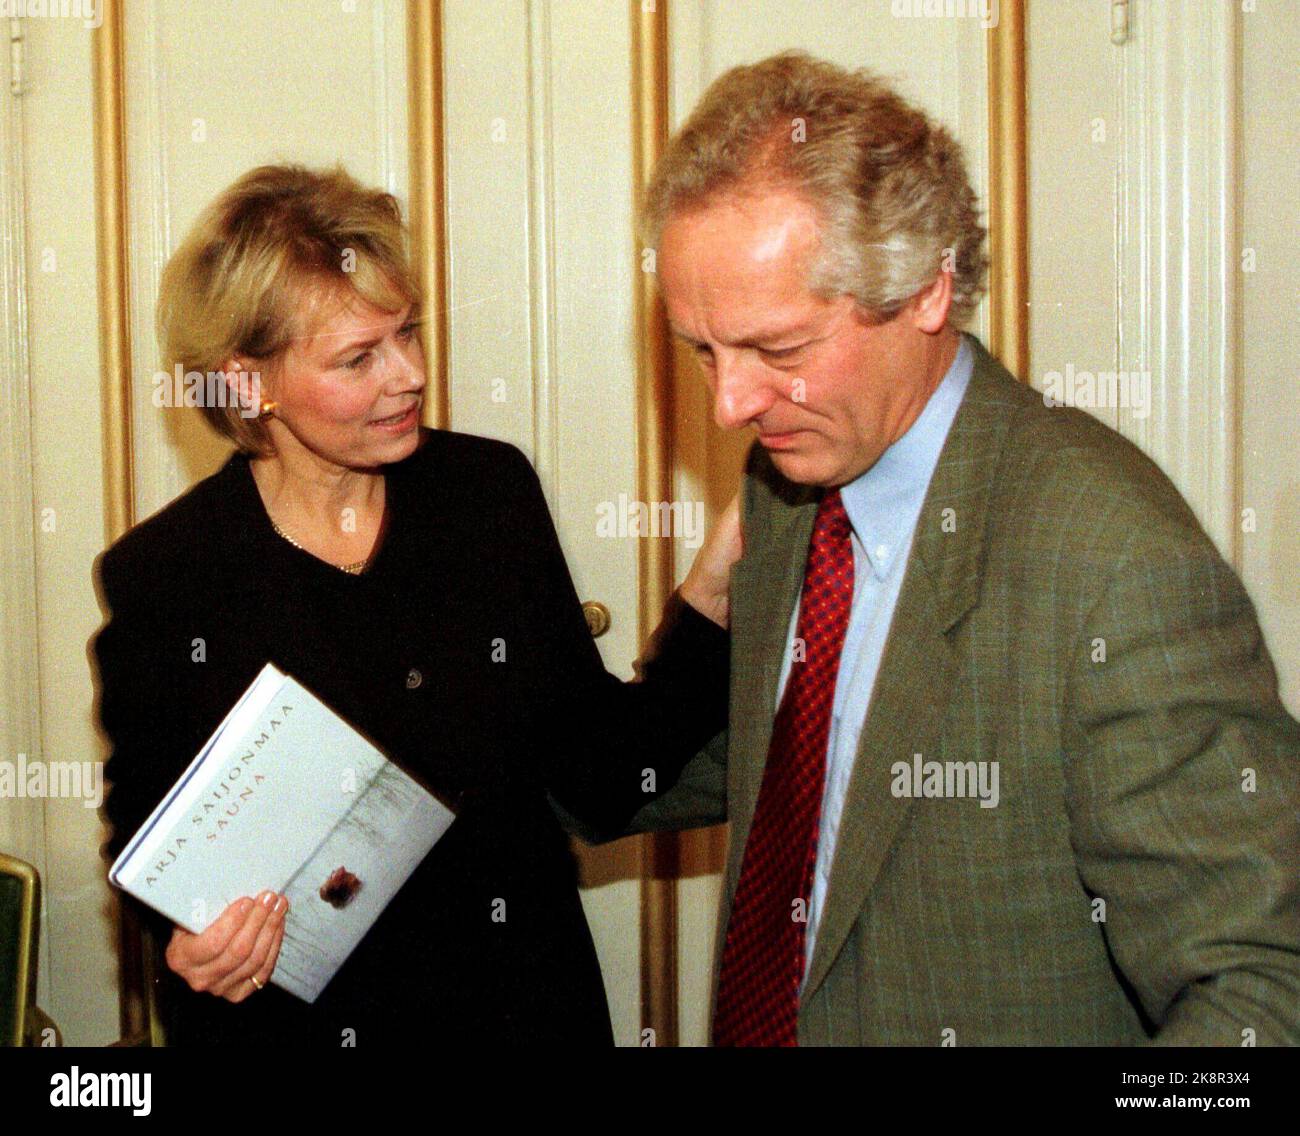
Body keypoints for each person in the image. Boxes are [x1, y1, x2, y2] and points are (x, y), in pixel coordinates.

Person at [627, 51, 1300, 1045]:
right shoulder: (792, 481)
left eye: (778, 349)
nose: (729, 404)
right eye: (701, 349)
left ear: (926, 290)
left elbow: (1258, 990)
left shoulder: (1112, 562)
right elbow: (783, 769)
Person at [92, 163, 738, 1047]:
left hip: (519, 1013)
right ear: (246, 385)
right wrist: (186, 937)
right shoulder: (167, 577)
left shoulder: (487, 494)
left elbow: (598, 772)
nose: (409, 376)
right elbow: (149, 841)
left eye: (409, 334)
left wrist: (708, 598)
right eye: (359, 358)